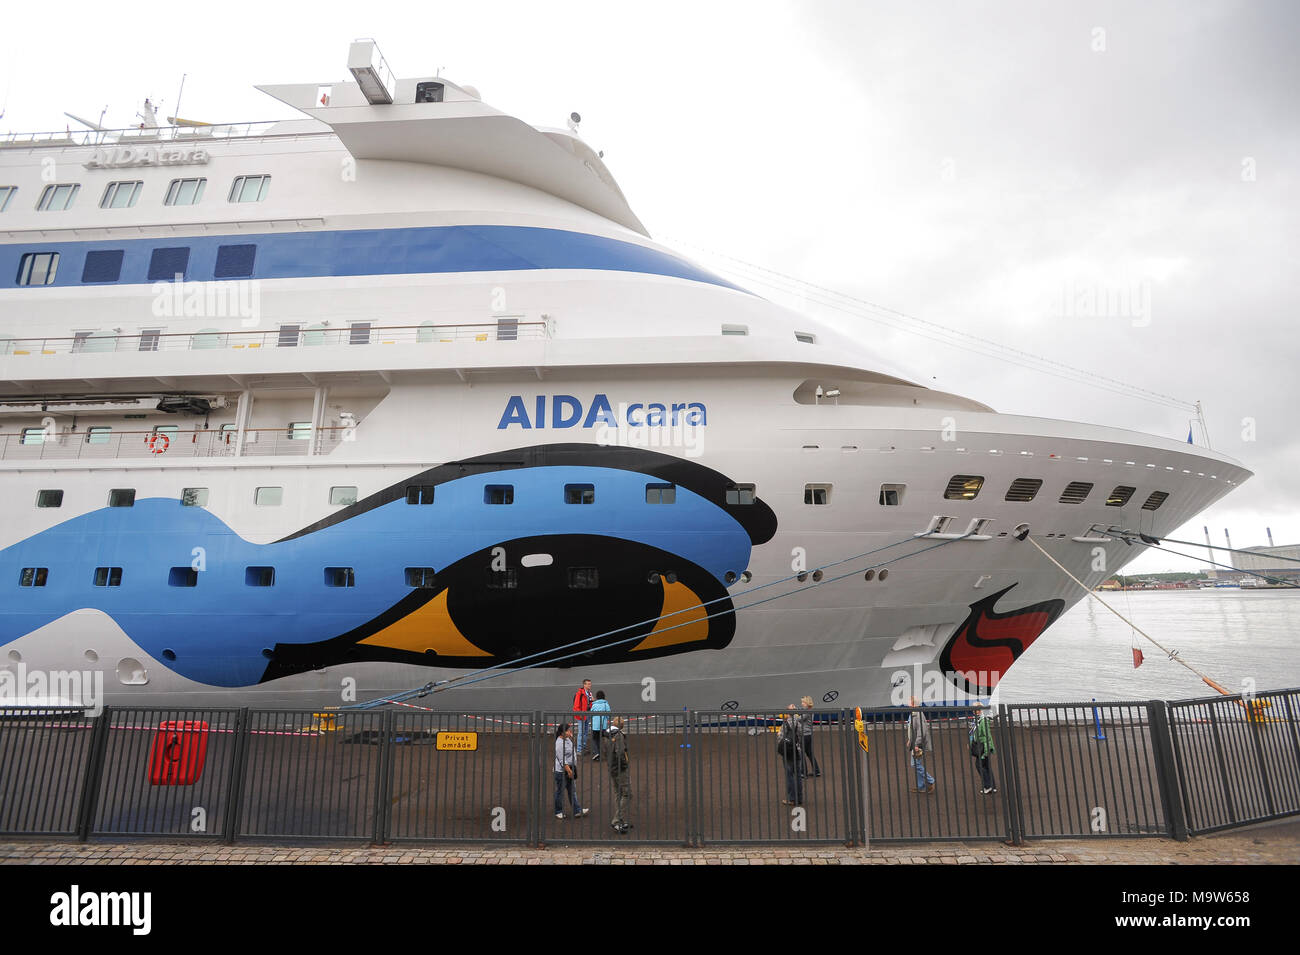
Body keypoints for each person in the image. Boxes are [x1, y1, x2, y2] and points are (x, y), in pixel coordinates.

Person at [553, 723, 589, 820]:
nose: (570, 732)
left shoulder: (567, 739)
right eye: (568, 730)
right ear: (562, 733)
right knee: (560, 792)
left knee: (572, 791)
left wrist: (570, 736)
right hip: (562, 771)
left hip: (570, 768)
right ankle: (558, 811)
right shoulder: (559, 744)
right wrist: (569, 771)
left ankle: (577, 810)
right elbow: (562, 760)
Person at [606, 716, 633, 833]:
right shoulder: (618, 736)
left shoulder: (606, 735)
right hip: (620, 769)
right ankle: (617, 820)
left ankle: (620, 820)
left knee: (618, 793)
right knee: (627, 794)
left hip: (612, 767)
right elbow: (620, 752)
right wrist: (625, 764)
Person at [906, 696, 935, 794]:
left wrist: (916, 744)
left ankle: (931, 780)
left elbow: (922, 731)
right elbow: (912, 729)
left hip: (918, 744)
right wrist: (910, 740)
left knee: (915, 764)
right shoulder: (913, 713)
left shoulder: (918, 715)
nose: (908, 702)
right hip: (915, 742)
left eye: (909, 701)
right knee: (916, 764)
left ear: (913, 704)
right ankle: (921, 787)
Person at [778, 705, 805, 805]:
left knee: (789, 775)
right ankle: (799, 798)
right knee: (797, 775)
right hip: (797, 750)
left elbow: (780, 737)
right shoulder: (798, 723)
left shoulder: (785, 724)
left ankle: (792, 798)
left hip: (788, 751)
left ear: (787, 713)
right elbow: (801, 735)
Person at [969, 702, 997, 794]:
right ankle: (992, 786)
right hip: (983, 746)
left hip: (983, 747)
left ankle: (988, 786)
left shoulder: (982, 720)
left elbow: (986, 736)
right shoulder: (978, 720)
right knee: (986, 766)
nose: (973, 710)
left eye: (975, 709)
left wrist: (986, 749)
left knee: (979, 766)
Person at [799, 695, 822, 777]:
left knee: (801, 754)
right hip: (808, 734)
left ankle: (803, 772)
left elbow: (799, 719)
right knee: (810, 753)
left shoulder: (807, 711)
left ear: (806, 703)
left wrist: (792, 715)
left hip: (804, 735)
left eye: (803, 702)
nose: (802, 704)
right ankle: (816, 771)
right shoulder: (809, 710)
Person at [571, 679, 593, 755]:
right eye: (588, 684)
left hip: (586, 715)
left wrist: (592, 701)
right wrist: (580, 715)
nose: (590, 685)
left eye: (590, 684)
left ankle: (582, 748)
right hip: (582, 715)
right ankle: (579, 750)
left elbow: (589, 704)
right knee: (581, 732)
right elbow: (576, 706)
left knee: (585, 732)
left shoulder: (589, 693)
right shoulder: (579, 693)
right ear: (584, 685)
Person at [589, 689, 611, 760]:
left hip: (595, 727)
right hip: (603, 726)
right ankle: (607, 752)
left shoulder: (594, 705)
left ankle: (597, 753)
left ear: (597, 697)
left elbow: (591, 714)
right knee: (605, 739)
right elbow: (609, 715)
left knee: (595, 740)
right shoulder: (606, 704)